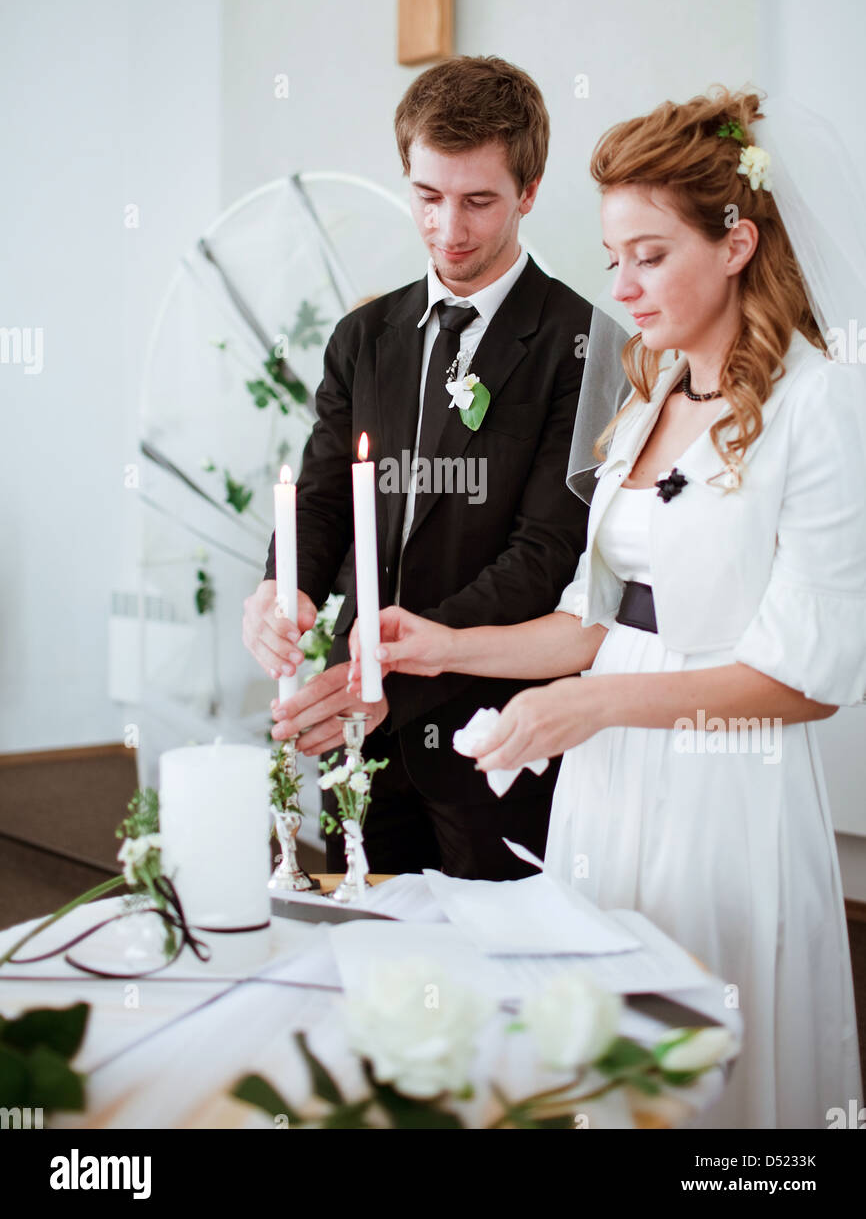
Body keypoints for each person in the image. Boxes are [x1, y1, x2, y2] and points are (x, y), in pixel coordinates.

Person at [347, 87, 866, 1128]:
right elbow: (597, 626)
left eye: (649, 254)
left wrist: (585, 706)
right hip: (610, 784)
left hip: (725, 792)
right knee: (591, 1066)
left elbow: (806, 683)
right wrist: (443, 644)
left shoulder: (819, 406)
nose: (621, 286)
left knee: (708, 1081)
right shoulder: (648, 398)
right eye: (610, 256)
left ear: (734, 243)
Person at [243, 54, 597, 878]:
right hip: (357, 736)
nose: (449, 229)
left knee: (498, 975)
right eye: (428, 197)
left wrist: (390, 681)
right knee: (363, 958)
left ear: (530, 191)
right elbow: (327, 499)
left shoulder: (582, 346)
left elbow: (543, 558)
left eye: (479, 201)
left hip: (493, 739)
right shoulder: (363, 339)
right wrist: (282, 587)